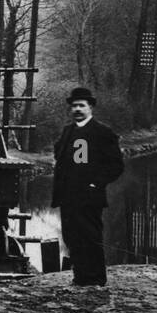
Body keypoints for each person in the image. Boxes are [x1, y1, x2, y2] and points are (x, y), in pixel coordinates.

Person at [51, 87, 124, 287]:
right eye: (74, 106)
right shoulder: (68, 131)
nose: (77, 109)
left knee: (90, 236)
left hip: (89, 196)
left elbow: (116, 165)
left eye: (81, 106)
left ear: (90, 107)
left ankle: (96, 278)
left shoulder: (102, 132)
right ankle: (80, 277)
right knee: (71, 237)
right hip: (68, 197)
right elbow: (60, 156)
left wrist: (96, 183)